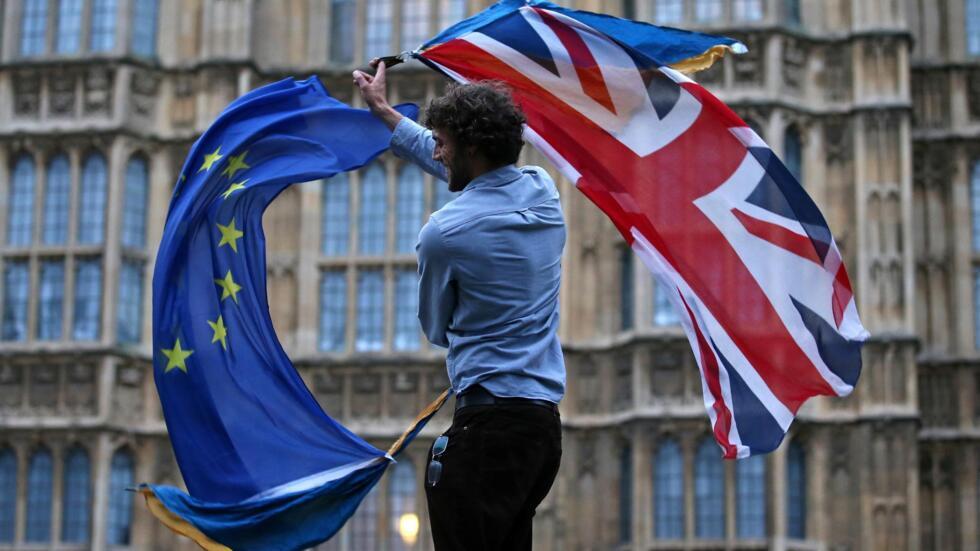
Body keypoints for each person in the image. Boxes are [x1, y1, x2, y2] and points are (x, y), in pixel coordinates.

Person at [354, 60, 566, 551]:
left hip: (486, 430)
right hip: (540, 432)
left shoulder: (444, 233)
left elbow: (435, 327)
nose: (438, 153)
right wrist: (386, 113)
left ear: (469, 149)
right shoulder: (543, 192)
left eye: (443, 142)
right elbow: (475, 177)